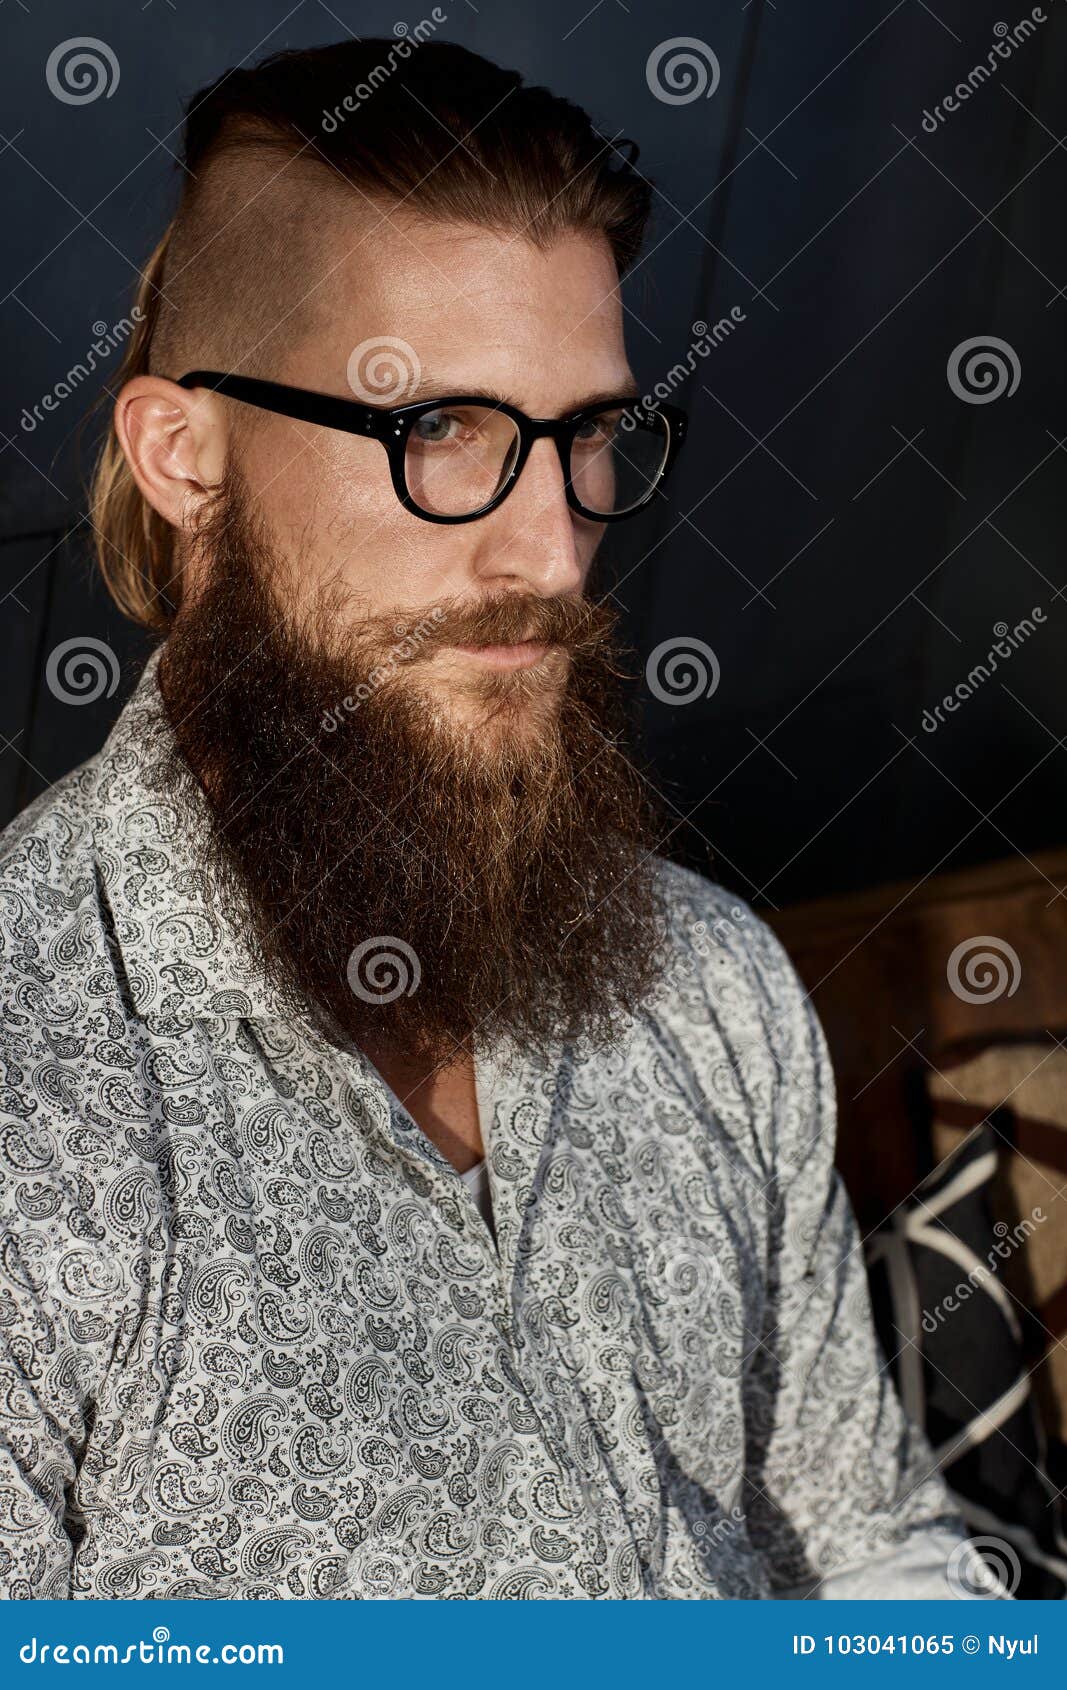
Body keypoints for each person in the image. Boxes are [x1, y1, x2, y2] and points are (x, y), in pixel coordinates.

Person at [0, 39, 1004, 1601]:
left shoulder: (714, 985)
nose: (550, 546)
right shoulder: (35, 1088)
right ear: (185, 455)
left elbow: (868, 1543)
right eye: (440, 430)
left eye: (587, 433)